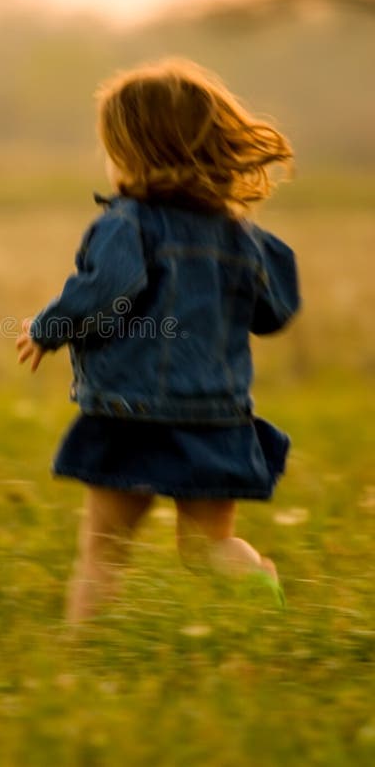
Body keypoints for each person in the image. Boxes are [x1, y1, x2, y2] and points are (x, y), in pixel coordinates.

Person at [16, 58, 301, 623]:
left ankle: (81, 651)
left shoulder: (126, 223)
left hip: (129, 416)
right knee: (207, 547)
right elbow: (275, 311)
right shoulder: (242, 237)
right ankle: (255, 584)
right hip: (216, 418)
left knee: (103, 551)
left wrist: (48, 328)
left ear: (132, 154)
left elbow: (107, 288)